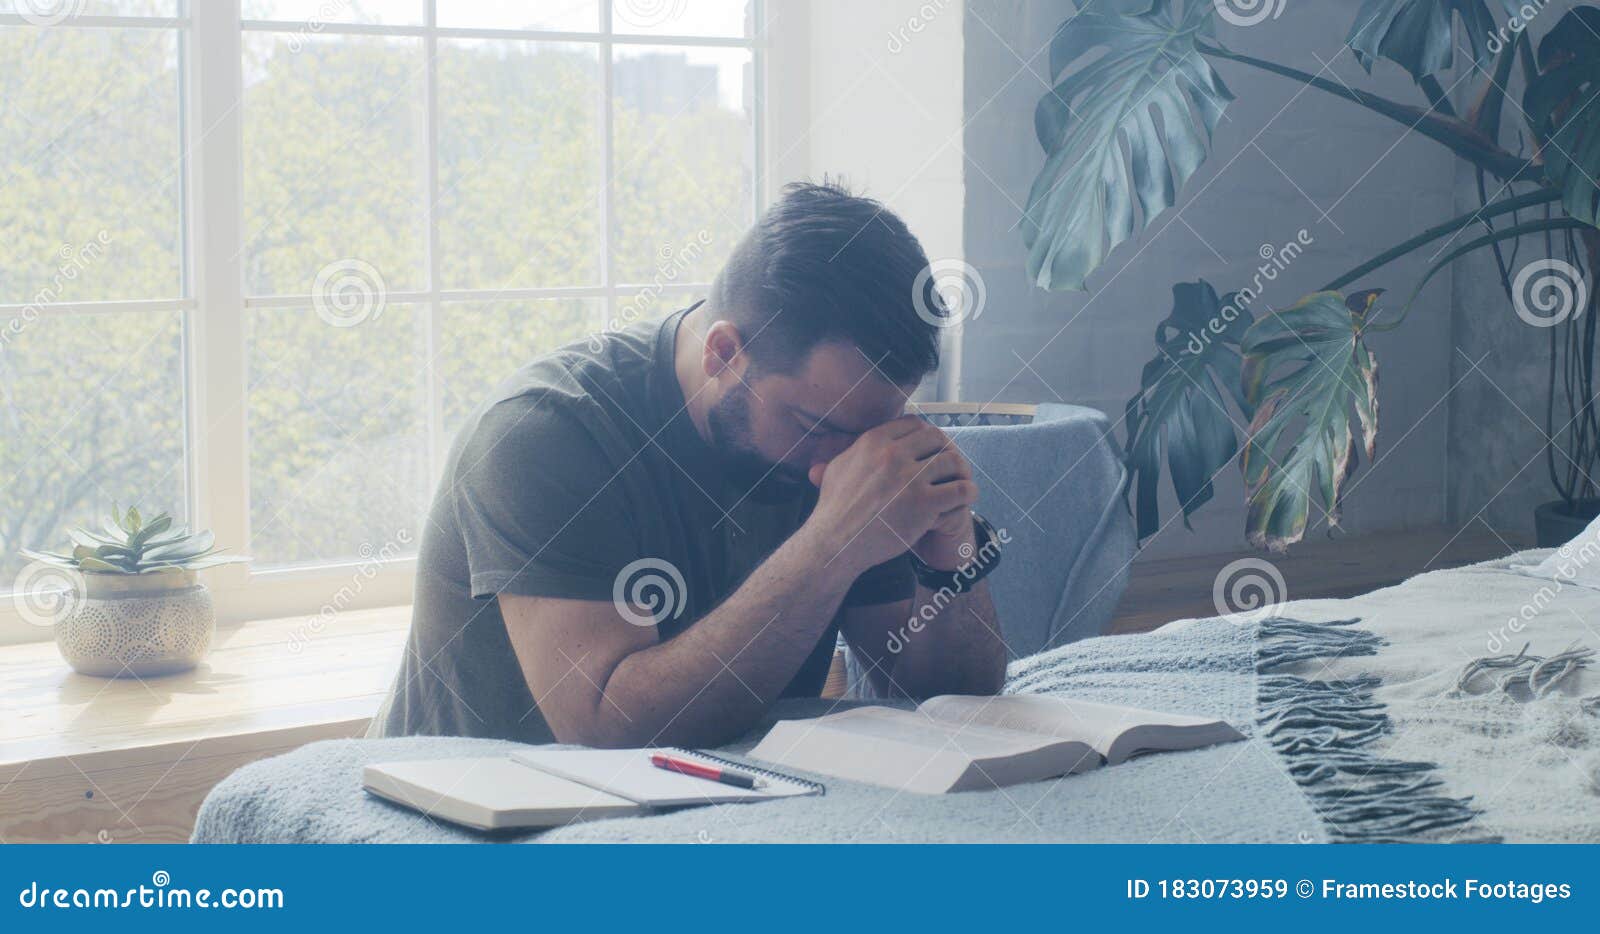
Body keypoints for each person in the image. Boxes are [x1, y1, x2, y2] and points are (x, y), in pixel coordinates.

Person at [374, 181, 1007, 748]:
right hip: (471, 822)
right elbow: (604, 725)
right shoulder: (543, 433)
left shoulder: (841, 436)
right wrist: (835, 541)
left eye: (869, 431)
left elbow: (937, 700)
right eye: (815, 427)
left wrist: (947, 554)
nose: (836, 463)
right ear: (724, 352)